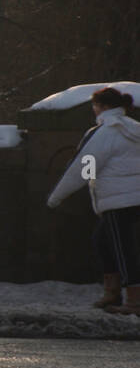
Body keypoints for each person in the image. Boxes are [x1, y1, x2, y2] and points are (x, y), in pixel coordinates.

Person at [47, 87, 140, 313]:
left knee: (121, 249)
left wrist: (55, 198)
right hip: (133, 197)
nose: (94, 111)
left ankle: (133, 301)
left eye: (95, 106)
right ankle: (113, 293)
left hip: (118, 201)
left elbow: (82, 169)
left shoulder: (104, 133)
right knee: (103, 242)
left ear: (104, 107)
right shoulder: (134, 129)